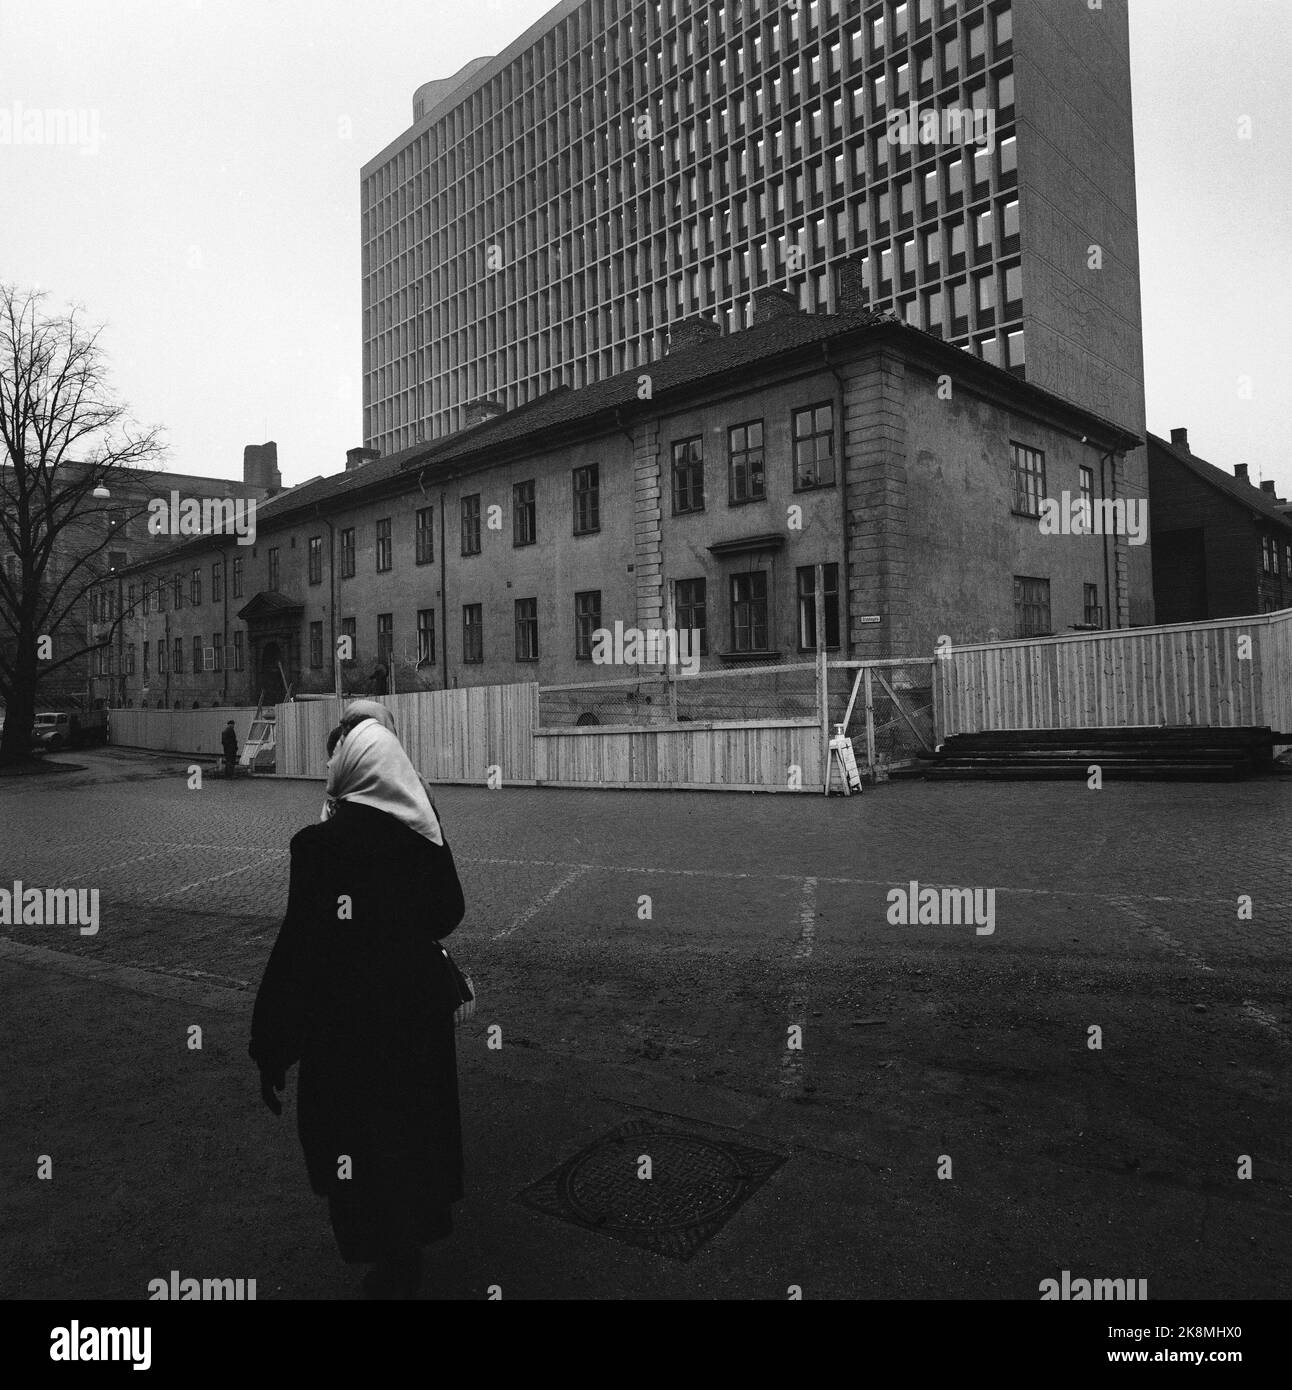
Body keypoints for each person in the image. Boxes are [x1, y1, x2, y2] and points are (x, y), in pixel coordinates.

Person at [249, 704, 466, 1299]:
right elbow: (447, 915)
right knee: (408, 1135)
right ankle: (406, 1254)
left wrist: (271, 1043)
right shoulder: (420, 834)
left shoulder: (320, 846)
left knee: (356, 1142)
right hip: (414, 1023)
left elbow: (299, 950)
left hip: (347, 1027)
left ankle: (387, 1258)